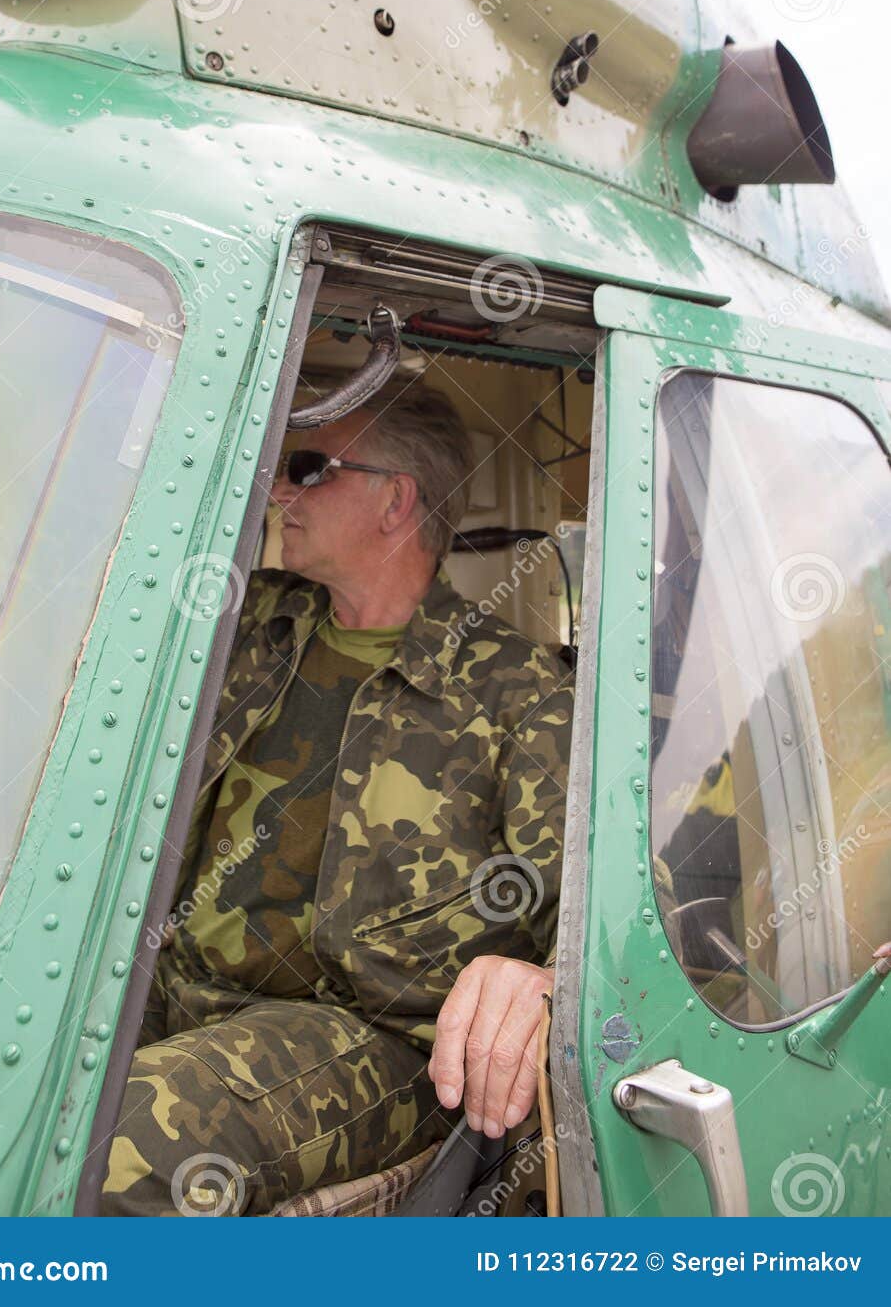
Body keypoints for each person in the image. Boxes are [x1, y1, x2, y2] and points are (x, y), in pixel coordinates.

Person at [102, 379, 573, 1215]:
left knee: (122, 1144)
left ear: (396, 502)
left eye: (309, 467)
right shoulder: (250, 624)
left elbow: (625, 922)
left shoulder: (518, 690)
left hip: (374, 1038)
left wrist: (542, 977)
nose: (282, 489)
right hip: (170, 978)